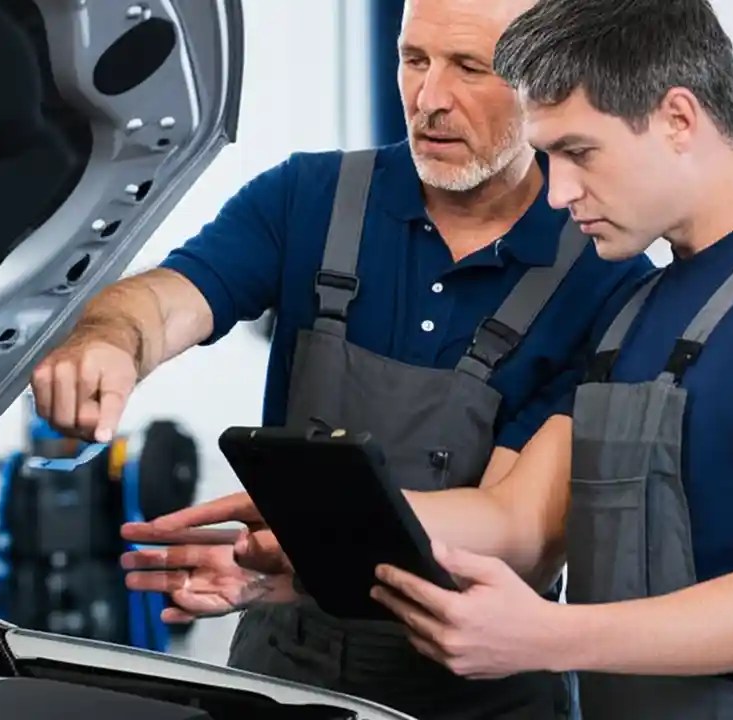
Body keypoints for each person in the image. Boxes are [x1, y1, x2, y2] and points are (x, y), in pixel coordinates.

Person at [130, 1, 733, 719]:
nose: (556, 193)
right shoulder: (640, 307)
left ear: (676, 117)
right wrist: (309, 553)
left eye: (580, 153)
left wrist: (551, 636)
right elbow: (519, 518)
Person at [32, 0, 650, 715]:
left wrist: (312, 534)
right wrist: (110, 338)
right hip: (285, 661)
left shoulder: (603, 278)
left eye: (469, 68)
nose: (429, 99)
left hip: (481, 688)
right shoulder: (310, 198)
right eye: (413, 59)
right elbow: (170, 298)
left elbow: (521, 534)